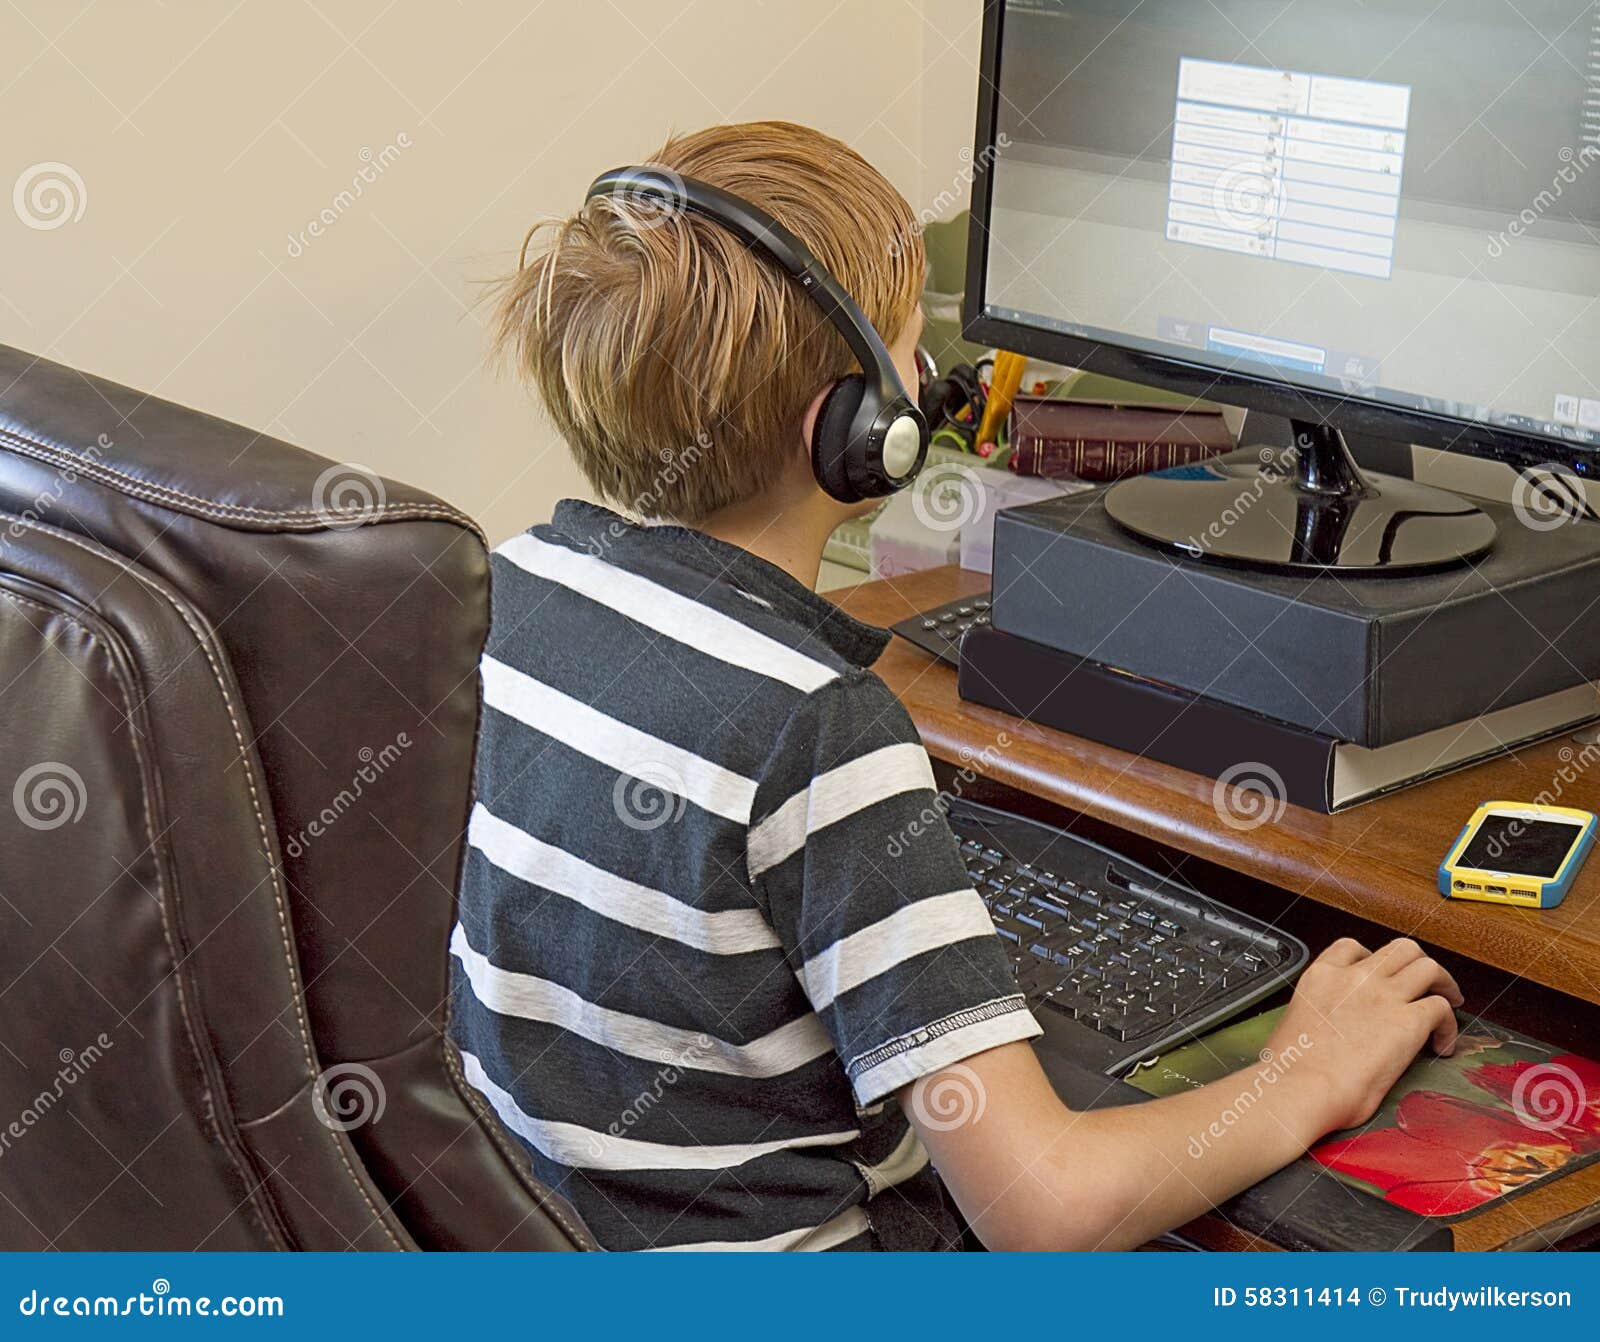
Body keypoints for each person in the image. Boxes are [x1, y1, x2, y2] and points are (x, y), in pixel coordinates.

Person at [450, 119, 1462, 1251]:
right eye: (904, 347)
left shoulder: (502, 592)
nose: (926, 380)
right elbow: (1046, 1208)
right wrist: (1304, 1074)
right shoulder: (814, 727)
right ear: (853, 429)